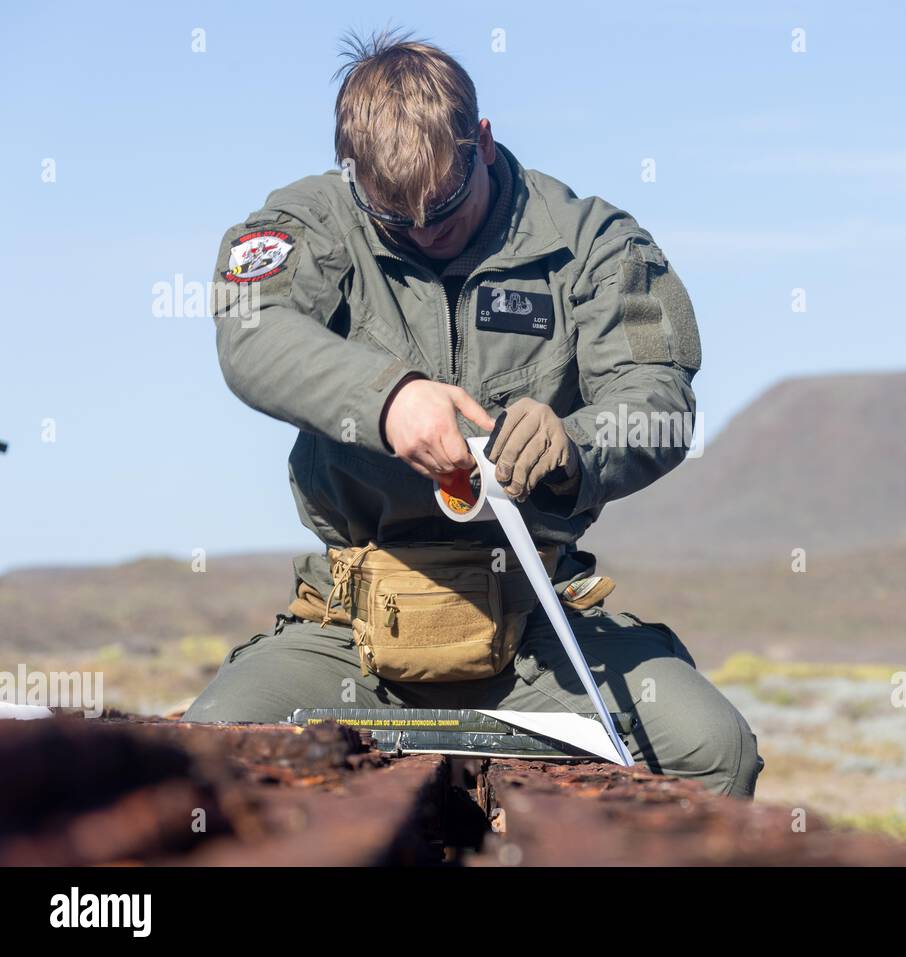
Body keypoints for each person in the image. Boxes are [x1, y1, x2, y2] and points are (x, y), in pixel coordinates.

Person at [183, 31, 764, 800]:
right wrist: (387, 399)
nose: (426, 233)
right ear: (352, 176)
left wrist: (573, 446)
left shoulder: (597, 244)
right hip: (349, 632)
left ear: (481, 143)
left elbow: (659, 399)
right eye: (397, 219)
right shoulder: (311, 222)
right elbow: (249, 331)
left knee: (713, 752)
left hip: (538, 632)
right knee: (204, 757)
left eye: (445, 209)